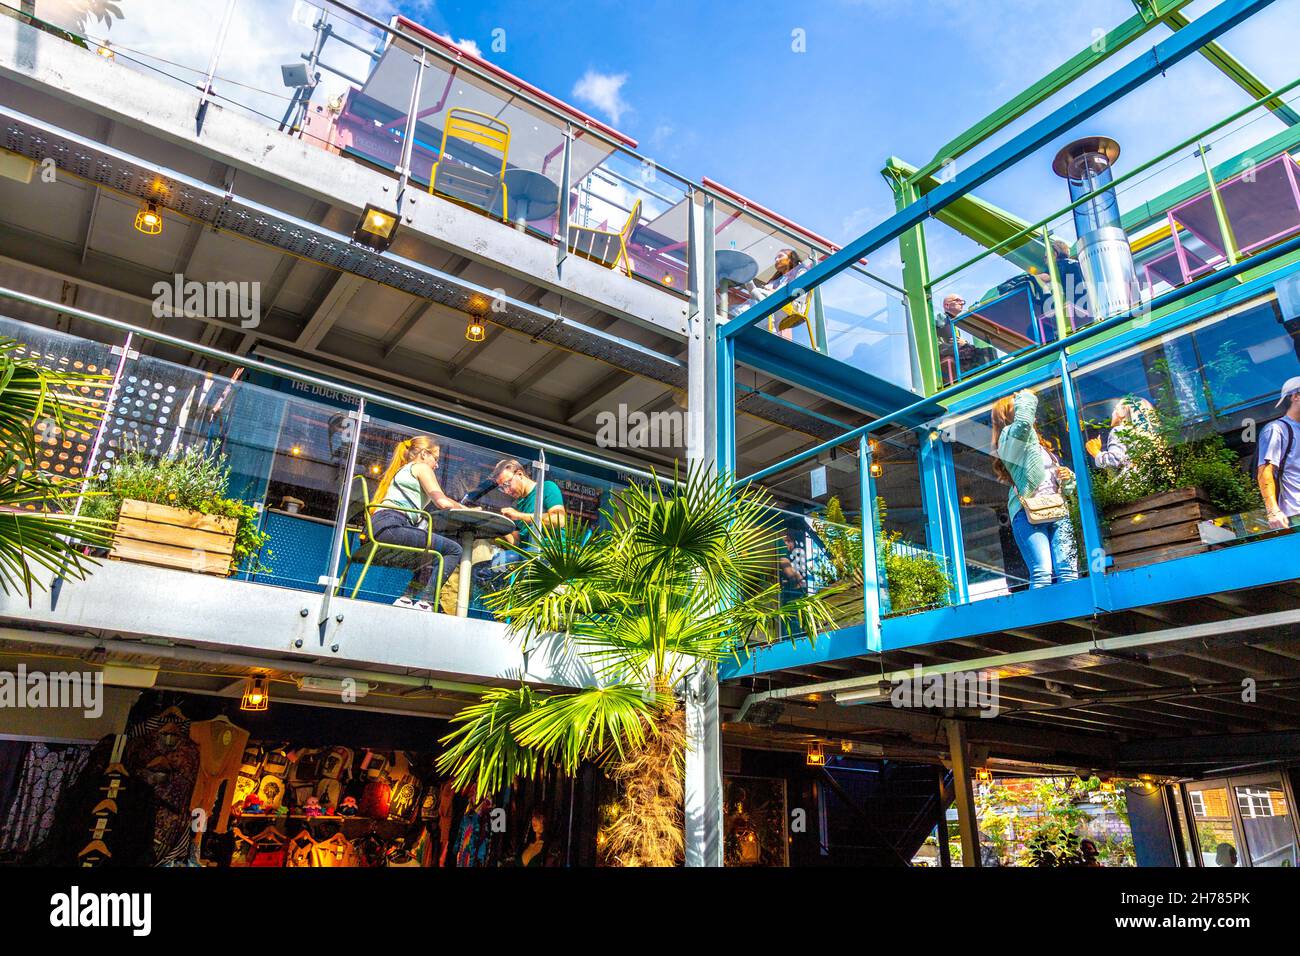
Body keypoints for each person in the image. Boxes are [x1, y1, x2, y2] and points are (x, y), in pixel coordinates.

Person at [991, 388, 1079, 588]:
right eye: (1016, 402)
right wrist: (1027, 395)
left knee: (1068, 570)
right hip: (1028, 513)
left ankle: (1070, 611)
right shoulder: (1007, 439)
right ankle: (1048, 619)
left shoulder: (1040, 446)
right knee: (1042, 572)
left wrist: (1067, 478)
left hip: (1057, 510)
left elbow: (1060, 486)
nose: (1022, 402)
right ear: (1007, 414)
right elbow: (1022, 425)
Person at [369, 436, 465, 611]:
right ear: (423, 454)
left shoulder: (404, 469)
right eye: (435, 458)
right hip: (392, 525)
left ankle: (406, 598)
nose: (437, 465)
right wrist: (469, 511)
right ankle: (426, 602)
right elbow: (442, 502)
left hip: (381, 526)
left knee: (429, 549)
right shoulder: (421, 467)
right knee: (454, 550)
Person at [474, 458, 567, 592]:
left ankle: (500, 605)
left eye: (507, 484)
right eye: (502, 488)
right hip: (526, 555)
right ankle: (500, 608)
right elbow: (516, 543)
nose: (506, 491)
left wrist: (519, 516)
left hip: (550, 554)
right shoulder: (518, 504)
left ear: (519, 474)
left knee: (496, 564)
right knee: (480, 570)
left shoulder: (546, 488)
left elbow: (559, 520)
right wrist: (498, 528)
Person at [1257, 375, 1300, 530]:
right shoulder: (1277, 429)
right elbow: (1265, 470)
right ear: (1296, 396)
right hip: (1296, 513)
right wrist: (1273, 511)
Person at [1084, 396, 1160, 474]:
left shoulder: (1120, 431)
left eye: (1115, 409)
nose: (1112, 413)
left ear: (1122, 412)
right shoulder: (1152, 436)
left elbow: (1115, 461)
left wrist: (1095, 452)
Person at [751, 248, 810, 339]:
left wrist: (773, 292)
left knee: (758, 292)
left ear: (791, 258)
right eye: (775, 259)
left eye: (780, 256)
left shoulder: (801, 271)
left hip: (793, 306)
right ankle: (763, 328)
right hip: (778, 305)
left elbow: (800, 294)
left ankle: (770, 328)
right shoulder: (778, 279)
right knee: (754, 297)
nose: (777, 260)